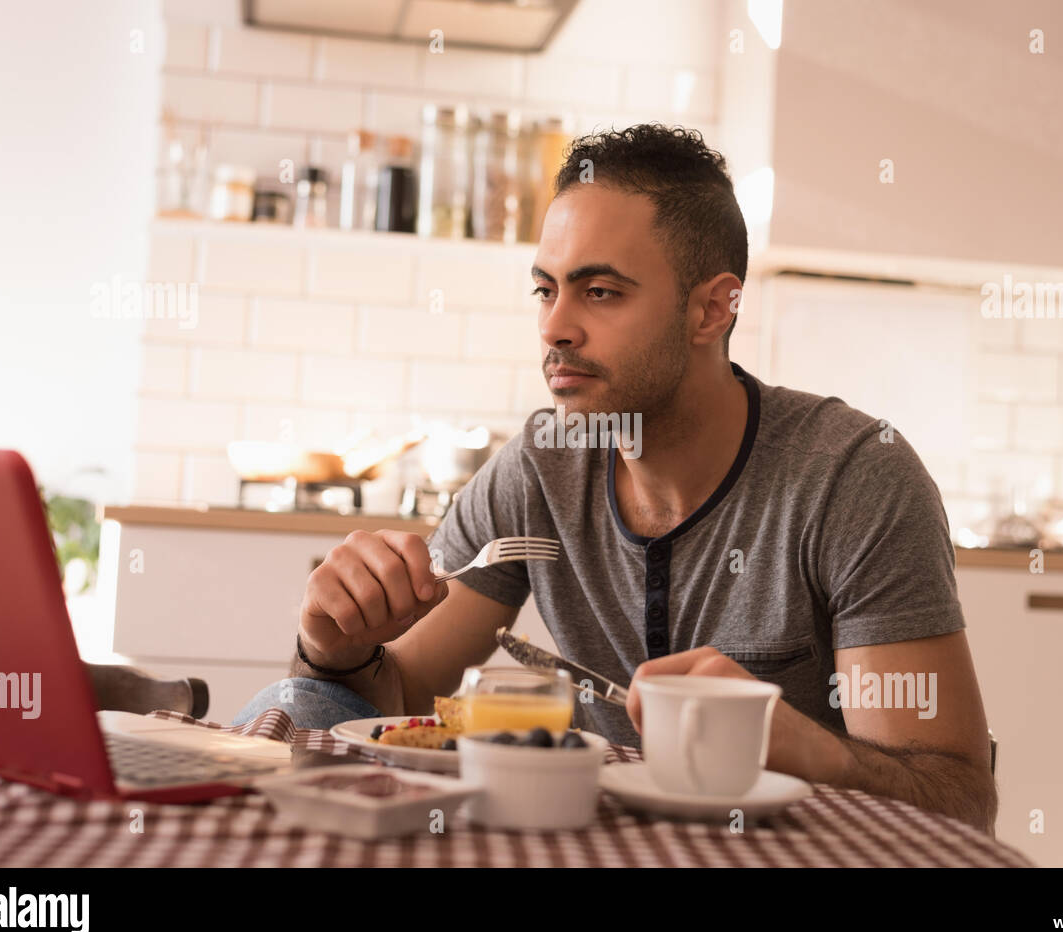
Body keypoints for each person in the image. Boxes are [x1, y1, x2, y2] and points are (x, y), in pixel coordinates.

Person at [234, 124, 996, 831]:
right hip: (599, 849)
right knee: (287, 705)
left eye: (600, 292)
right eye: (546, 288)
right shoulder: (540, 470)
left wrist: (809, 748)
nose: (554, 326)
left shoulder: (853, 480)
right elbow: (388, 702)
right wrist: (334, 645)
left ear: (711, 309)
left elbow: (959, 803)